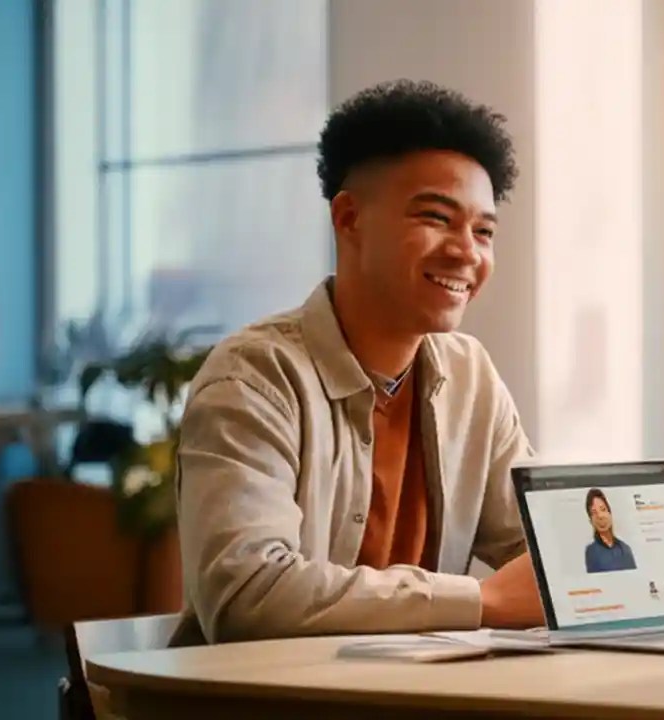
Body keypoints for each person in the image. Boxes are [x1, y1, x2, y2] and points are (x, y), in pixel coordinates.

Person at [169, 80, 544, 645]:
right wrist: (482, 599)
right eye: (437, 218)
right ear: (348, 218)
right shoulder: (253, 379)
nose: (467, 251)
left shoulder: (470, 376)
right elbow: (247, 595)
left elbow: (542, 550)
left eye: (484, 230)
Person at [583, 488, 637, 573]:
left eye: (603, 509)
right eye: (594, 512)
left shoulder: (626, 549)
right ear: (591, 521)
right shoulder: (591, 552)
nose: (600, 516)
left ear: (610, 513)